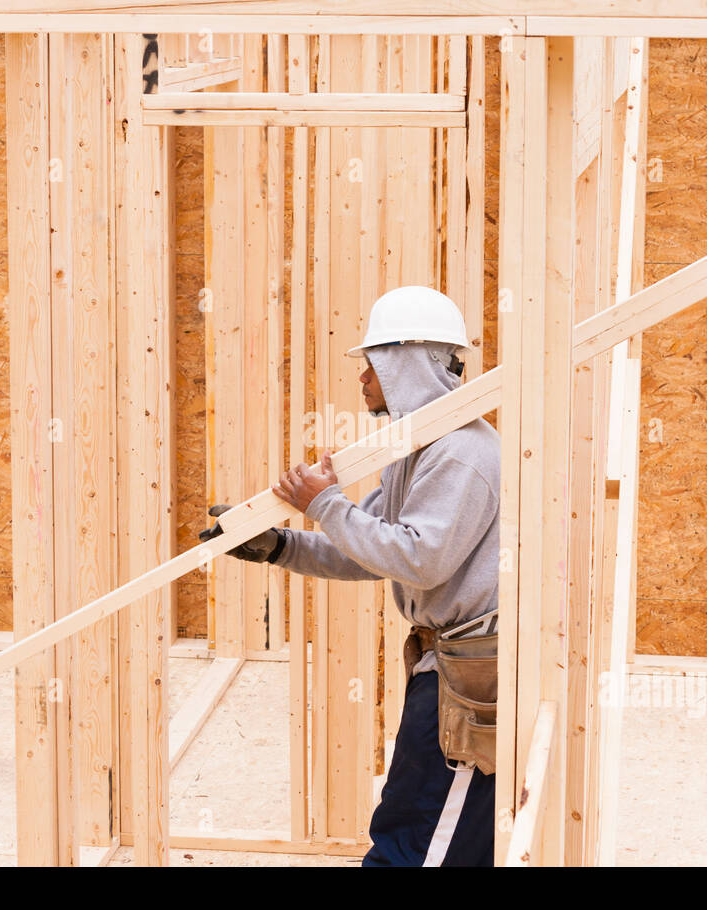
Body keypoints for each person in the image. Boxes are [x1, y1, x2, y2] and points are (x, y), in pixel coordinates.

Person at [203, 285, 501, 866]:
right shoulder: (417, 448)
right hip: (447, 667)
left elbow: (417, 558)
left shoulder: (461, 452)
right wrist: (279, 546)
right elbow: (371, 549)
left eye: (374, 363)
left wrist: (326, 505)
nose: (363, 378)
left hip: (473, 679)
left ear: (409, 362)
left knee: (420, 841)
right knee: (420, 826)